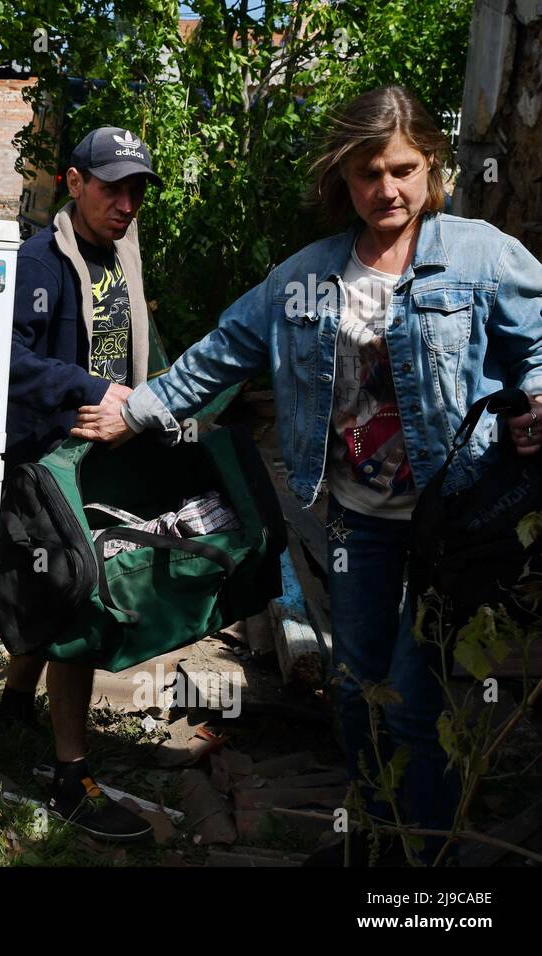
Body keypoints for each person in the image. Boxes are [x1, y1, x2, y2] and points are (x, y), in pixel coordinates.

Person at [98, 86, 542, 863]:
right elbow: (222, 351)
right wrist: (136, 411)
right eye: (368, 173)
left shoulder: (479, 255)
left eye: (403, 169)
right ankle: (374, 832)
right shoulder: (304, 277)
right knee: (355, 690)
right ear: (345, 178)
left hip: (457, 521)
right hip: (357, 519)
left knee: (412, 698)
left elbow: (539, 342)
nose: (387, 190)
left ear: (430, 165)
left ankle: (427, 855)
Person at [0, 126, 163, 842]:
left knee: (50, 591)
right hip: (42, 461)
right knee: (77, 602)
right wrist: (93, 389)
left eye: (136, 191)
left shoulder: (122, 257)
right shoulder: (39, 262)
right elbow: (5, 360)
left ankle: (12, 707)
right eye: (111, 187)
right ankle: (70, 772)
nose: (125, 203)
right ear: (73, 183)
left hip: (97, 455)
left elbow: (132, 340)